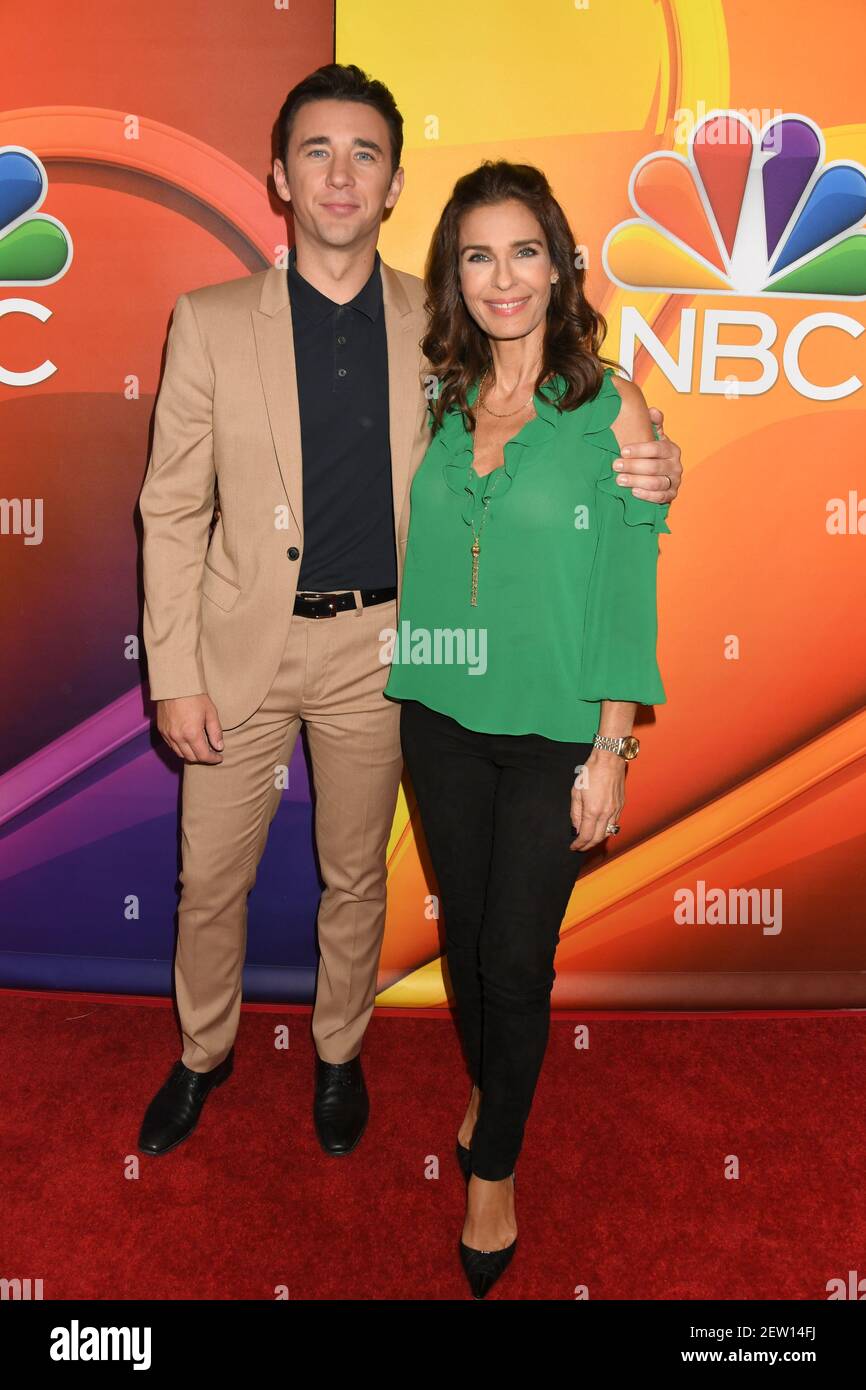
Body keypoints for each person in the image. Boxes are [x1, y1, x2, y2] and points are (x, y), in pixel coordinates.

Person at [137, 65, 683, 1174]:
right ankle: (203, 1052)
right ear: (279, 176)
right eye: (317, 152)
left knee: (355, 874)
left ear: (392, 184)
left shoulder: (440, 331)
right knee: (208, 878)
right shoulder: (205, 322)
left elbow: (575, 425)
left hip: (390, 647)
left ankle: (340, 1051)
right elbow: (170, 506)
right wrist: (172, 671)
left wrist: (661, 459)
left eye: (366, 154)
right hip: (237, 641)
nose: (340, 174)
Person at [383, 160, 671, 1298]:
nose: (502, 277)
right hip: (440, 709)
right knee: (464, 947)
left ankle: (491, 1168)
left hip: (556, 726)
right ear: (456, 274)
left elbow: (625, 584)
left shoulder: (614, 405)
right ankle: (487, 1082)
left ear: (557, 265)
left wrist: (610, 746)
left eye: (522, 251)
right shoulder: (441, 396)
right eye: (476, 255)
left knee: (516, 957)